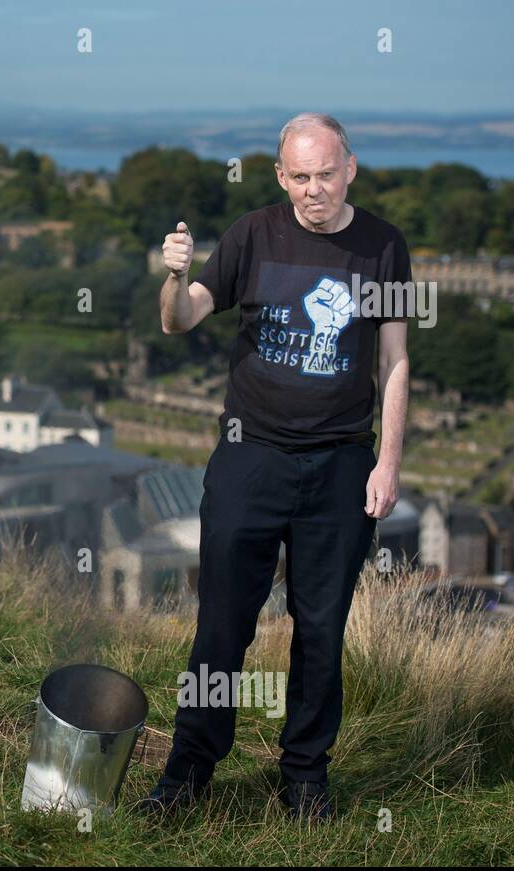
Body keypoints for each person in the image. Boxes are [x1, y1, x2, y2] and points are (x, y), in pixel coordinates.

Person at [136, 112, 411, 821]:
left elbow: (395, 360)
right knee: (221, 625)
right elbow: (180, 318)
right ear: (280, 175)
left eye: (327, 174)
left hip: (340, 465)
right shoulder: (252, 235)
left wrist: (388, 462)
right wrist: (175, 277)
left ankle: (305, 779)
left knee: (321, 628)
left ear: (350, 167)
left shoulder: (385, 246)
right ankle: (189, 774)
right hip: (248, 458)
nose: (314, 190)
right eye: (300, 177)